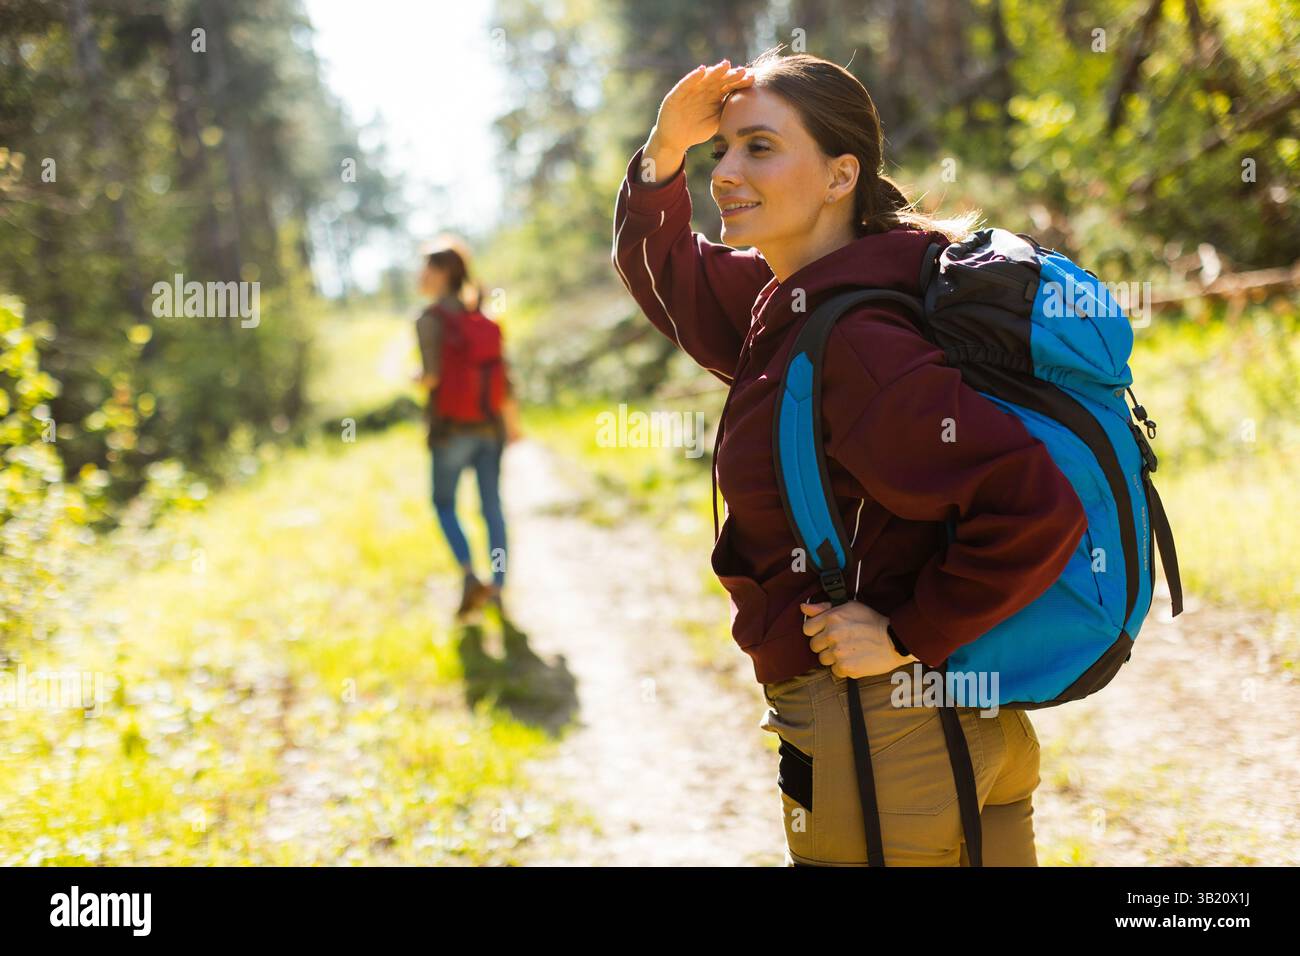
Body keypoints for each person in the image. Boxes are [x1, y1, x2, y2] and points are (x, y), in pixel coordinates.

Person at [611, 49, 1087, 866]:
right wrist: (662, 154)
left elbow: (1036, 504)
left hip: (887, 739)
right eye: (722, 149)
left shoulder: (852, 340)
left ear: (840, 177)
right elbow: (667, 275)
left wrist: (908, 633)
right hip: (924, 736)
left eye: (758, 147)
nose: (724, 171)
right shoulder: (798, 305)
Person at [415, 237, 522, 619]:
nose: (419, 274)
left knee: (444, 503)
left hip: (451, 430)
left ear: (441, 272)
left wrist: (417, 378)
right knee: (491, 506)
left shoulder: (430, 319)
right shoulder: (485, 316)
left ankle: (468, 573)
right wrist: (513, 425)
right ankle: (498, 583)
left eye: (425, 267)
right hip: (489, 428)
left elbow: (431, 376)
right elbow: (504, 378)